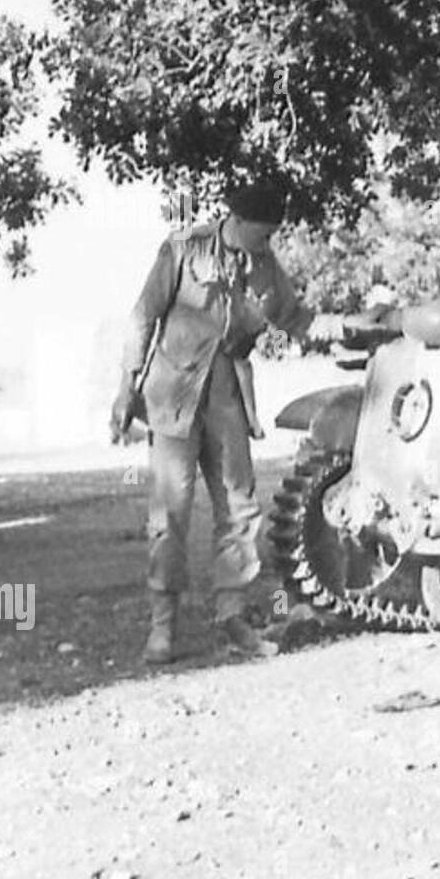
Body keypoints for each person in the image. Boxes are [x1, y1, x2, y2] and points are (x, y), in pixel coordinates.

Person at [111, 183, 344, 664]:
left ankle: (232, 616)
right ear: (236, 220)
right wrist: (125, 386)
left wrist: (349, 327)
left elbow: (297, 319)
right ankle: (163, 627)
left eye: (271, 236)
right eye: (261, 234)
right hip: (173, 392)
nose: (266, 244)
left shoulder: (266, 267)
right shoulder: (184, 249)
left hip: (226, 398)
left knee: (240, 510)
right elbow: (143, 316)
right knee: (170, 513)